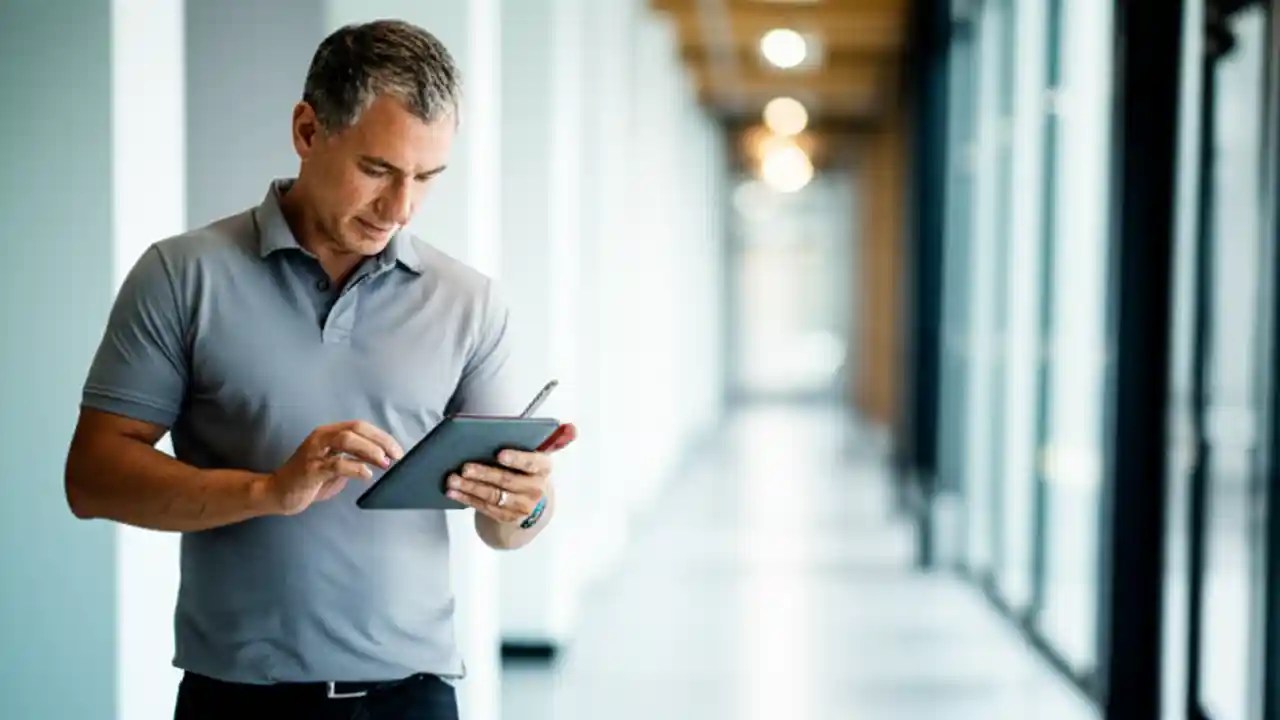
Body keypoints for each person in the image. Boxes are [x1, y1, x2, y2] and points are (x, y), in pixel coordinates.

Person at [63, 19, 575, 719]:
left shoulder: (470, 302)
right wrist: (270, 489)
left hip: (416, 698)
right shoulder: (182, 276)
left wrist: (528, 502)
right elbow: (92, 479)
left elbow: (507, 529)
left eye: (426, 177)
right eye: (377, 170)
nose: (400, 208)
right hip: (238, 700)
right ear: (308, 131)